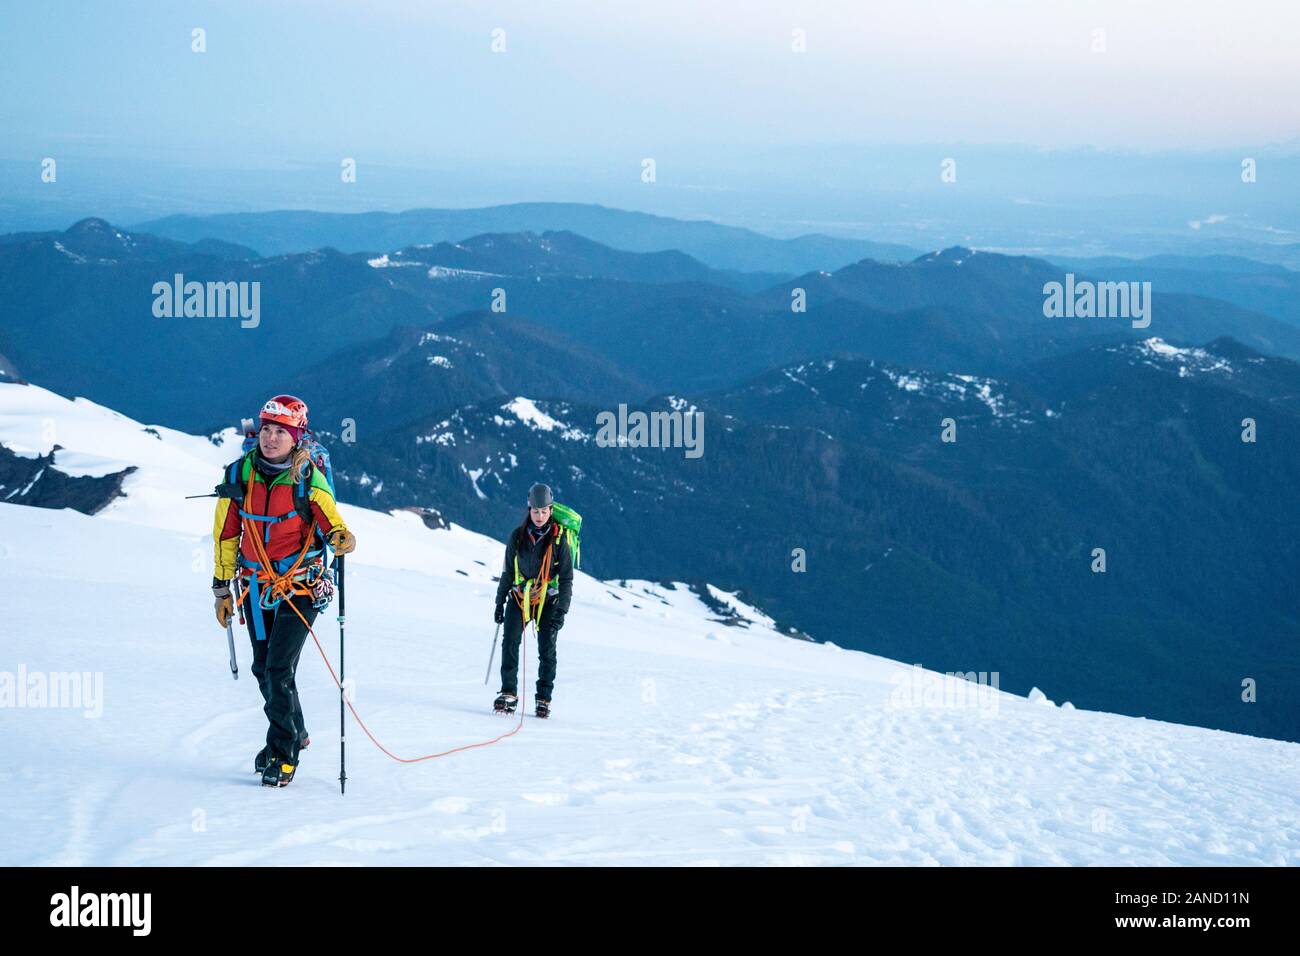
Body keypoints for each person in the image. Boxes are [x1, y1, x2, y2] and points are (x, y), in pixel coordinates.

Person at [211, 395, 356, 787]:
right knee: (266, 669)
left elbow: (330, 521)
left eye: (281, 432)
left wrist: (341, 537)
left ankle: (284, 750)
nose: (271, 438)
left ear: (296, 437)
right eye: (267, 430)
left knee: (277, 668)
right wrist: (221, 589)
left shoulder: (308, 477)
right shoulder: (239, 474)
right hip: (255, 588)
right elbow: (226, 534)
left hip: (302, 586)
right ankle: (295, 731)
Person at [492, 482, 573, 718]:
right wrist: (499, 602)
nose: (540, 516)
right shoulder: (517, 537)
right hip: (519, 595)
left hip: (548, 599)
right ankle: (509, 692)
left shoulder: (559, 541)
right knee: (510, 643)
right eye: (536, 511)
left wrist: (562, 610)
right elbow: (508, 571)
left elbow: (566, 578)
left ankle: (543, 698)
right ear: (529, 510)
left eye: (544, 511)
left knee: (547, 649)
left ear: (550, 510)